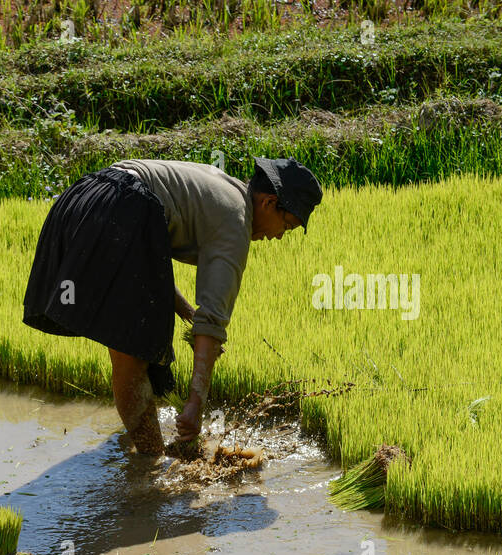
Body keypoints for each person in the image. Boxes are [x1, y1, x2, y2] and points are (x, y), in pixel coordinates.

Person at [22, 156, 323, 454]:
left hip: (84, 197)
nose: (279, 236)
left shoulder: (220, 185)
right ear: (269, 203)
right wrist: (196, 403)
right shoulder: (236, 220)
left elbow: (149, 267)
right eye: (287, 225)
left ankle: (146, 456)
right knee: (133, 355)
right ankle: (151, 470)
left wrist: (185, 312)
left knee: (135, 342)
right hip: (121, 207)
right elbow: (213, 320)